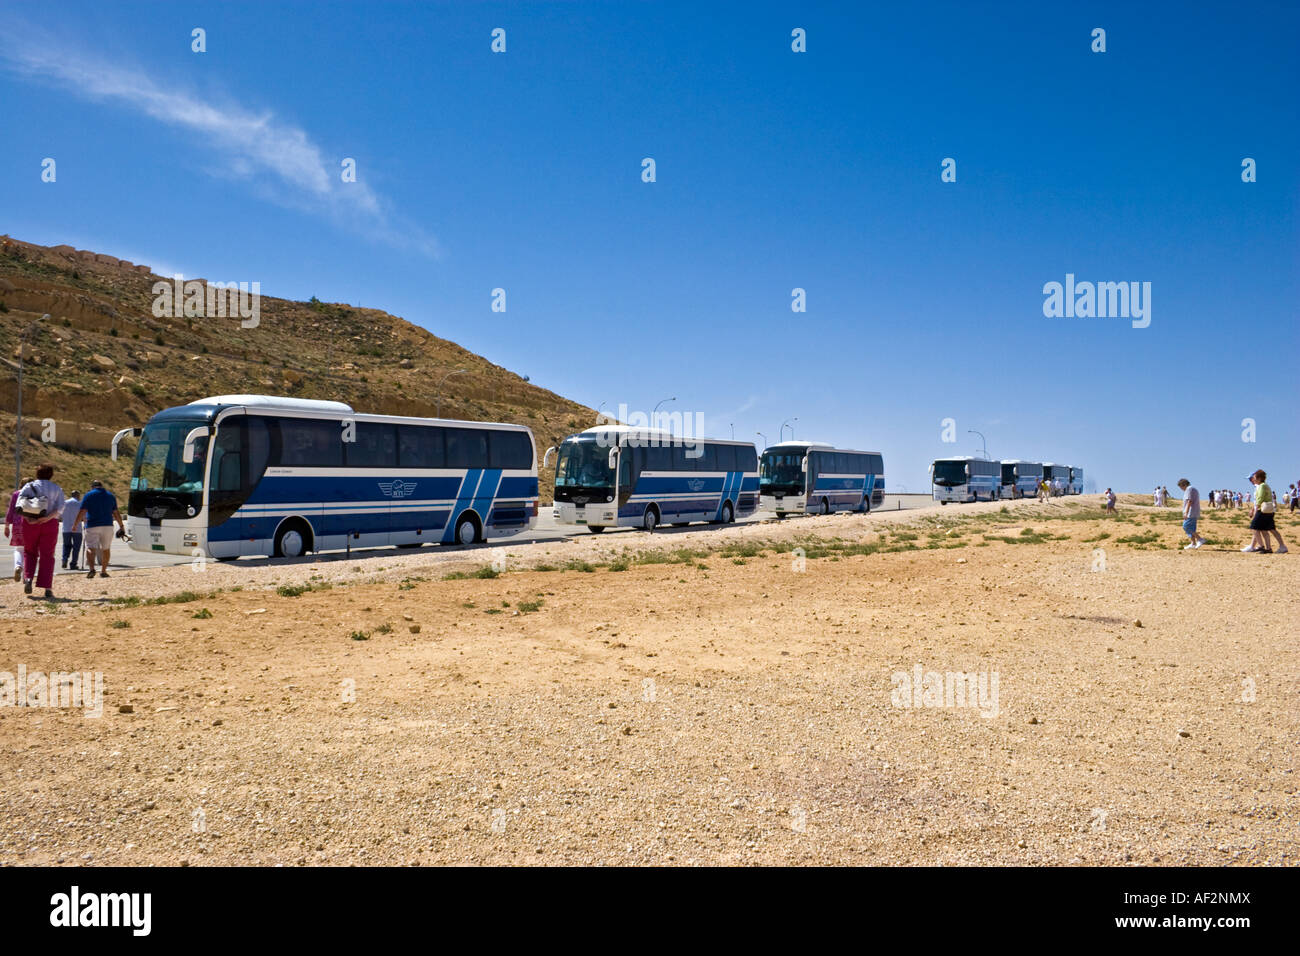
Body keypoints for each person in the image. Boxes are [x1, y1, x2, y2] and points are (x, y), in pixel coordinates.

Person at [16, 464, 66, 600]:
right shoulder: (56, 488)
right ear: (51, 475)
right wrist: (47, 518)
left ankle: (28, 579)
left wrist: (28, 518)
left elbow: (19, 505)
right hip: (49, 524)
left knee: (29, 552)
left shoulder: (28, 486)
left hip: (30, 524)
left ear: (36, 474)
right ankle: (47, 587)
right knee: (48, 555)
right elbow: (61, 508)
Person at [76, 479, 127, 578]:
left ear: (92, 487)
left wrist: (75, 525)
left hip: (92, 525)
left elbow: (82, 511)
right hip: (107, 525)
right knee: (106, 549)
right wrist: (121, 526)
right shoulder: (110, 495)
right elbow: (116, 513)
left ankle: (91, 569)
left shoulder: (89, 495)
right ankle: (103, 571)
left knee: (91, 548)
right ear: (101, 486)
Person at [1245, 469, 1287, 554]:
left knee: (1254, 527)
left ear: (1259, 478)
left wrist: (1255, 511)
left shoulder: (1262, 486)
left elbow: (1259, 499)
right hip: (1268, 510)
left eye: (1255, 477)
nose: (1254, 479)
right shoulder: (1264, 485)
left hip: (1263, 510)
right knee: (1267, 529)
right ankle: (1271, 548)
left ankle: (1262, 546)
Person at [4, 479, 32, 583]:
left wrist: (7, 526)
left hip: (17, 525)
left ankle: (18, 566)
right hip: (31, 523)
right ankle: (27, 576)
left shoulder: (16, 494)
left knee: (19, 549)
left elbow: (10, 510)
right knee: (31, 551)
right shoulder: (34, 493)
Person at [1177, 479, 1204, 549]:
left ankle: (1200, 539)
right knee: (1191, 528)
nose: (1181, 489)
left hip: (1191, 512)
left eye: (1181, 487)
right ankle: (1193, 543)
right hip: (1193, 512)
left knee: (1186, 526)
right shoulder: (1192, 489)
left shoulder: (1189, 489)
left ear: (1184, 485)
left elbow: (1189, 501)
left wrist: (1186, 512)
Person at [61, 489, 83, 571]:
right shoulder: (80, 504)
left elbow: (60, 514)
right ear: (78, 496)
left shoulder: (65, 503)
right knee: (76, 547)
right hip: (77, 529)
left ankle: (64, 559)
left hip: (66, 528)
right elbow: (84, 516)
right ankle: (73, 563)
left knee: (66, 545)